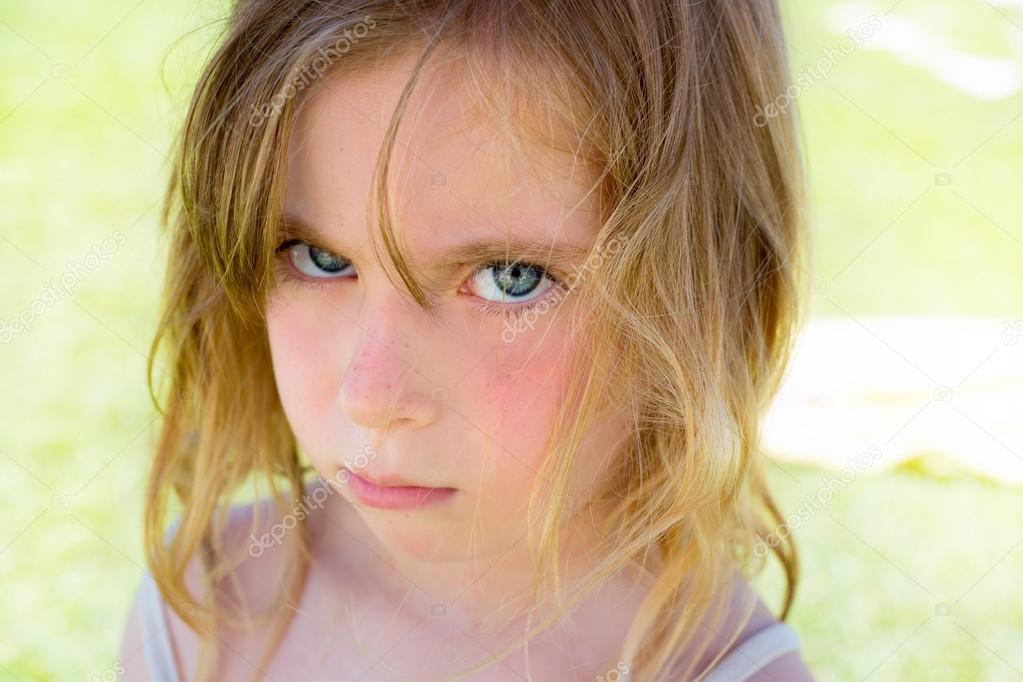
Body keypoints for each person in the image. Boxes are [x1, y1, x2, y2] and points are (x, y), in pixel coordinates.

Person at [119, 1, 815, 679]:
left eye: (509, 278)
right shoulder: (208, 602)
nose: (372, 397)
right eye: (318, 259)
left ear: (708, 282)